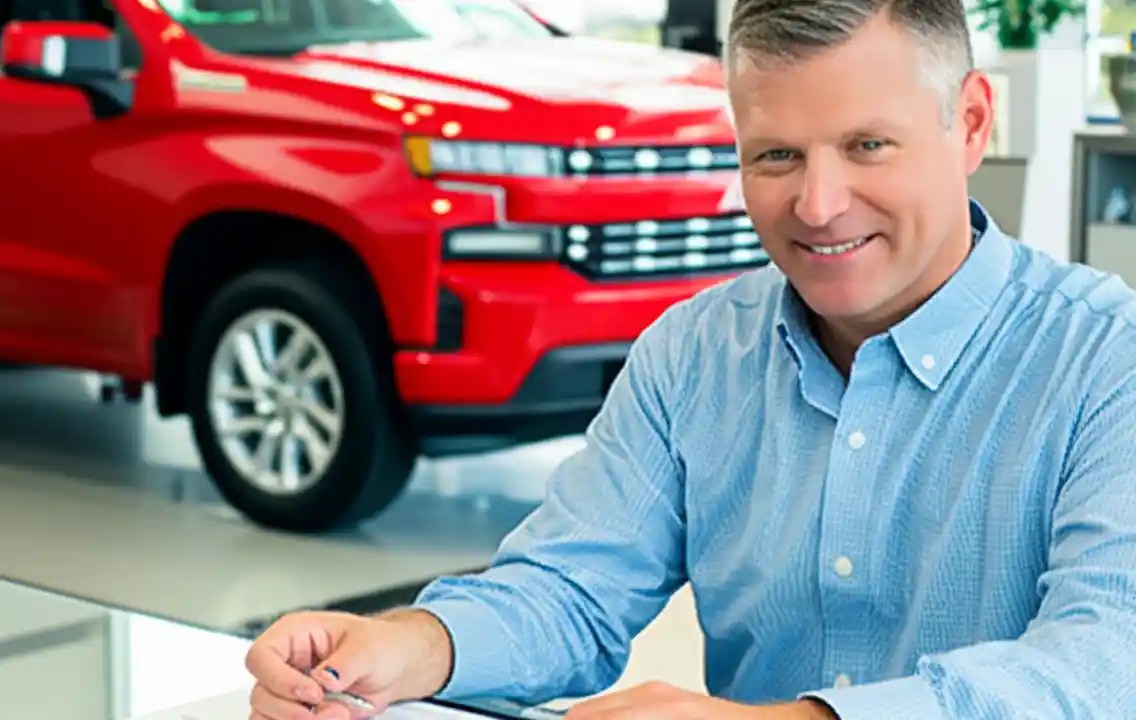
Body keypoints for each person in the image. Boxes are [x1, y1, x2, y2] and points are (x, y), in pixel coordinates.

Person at [245, 1, 1136, 718]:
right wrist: (413, 647)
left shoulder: (1106, 359)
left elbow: (1104, 666)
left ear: (971, 122)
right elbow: (569, 589)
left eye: (869, 145)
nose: (818, 205)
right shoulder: (695, 353)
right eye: (776, 156)